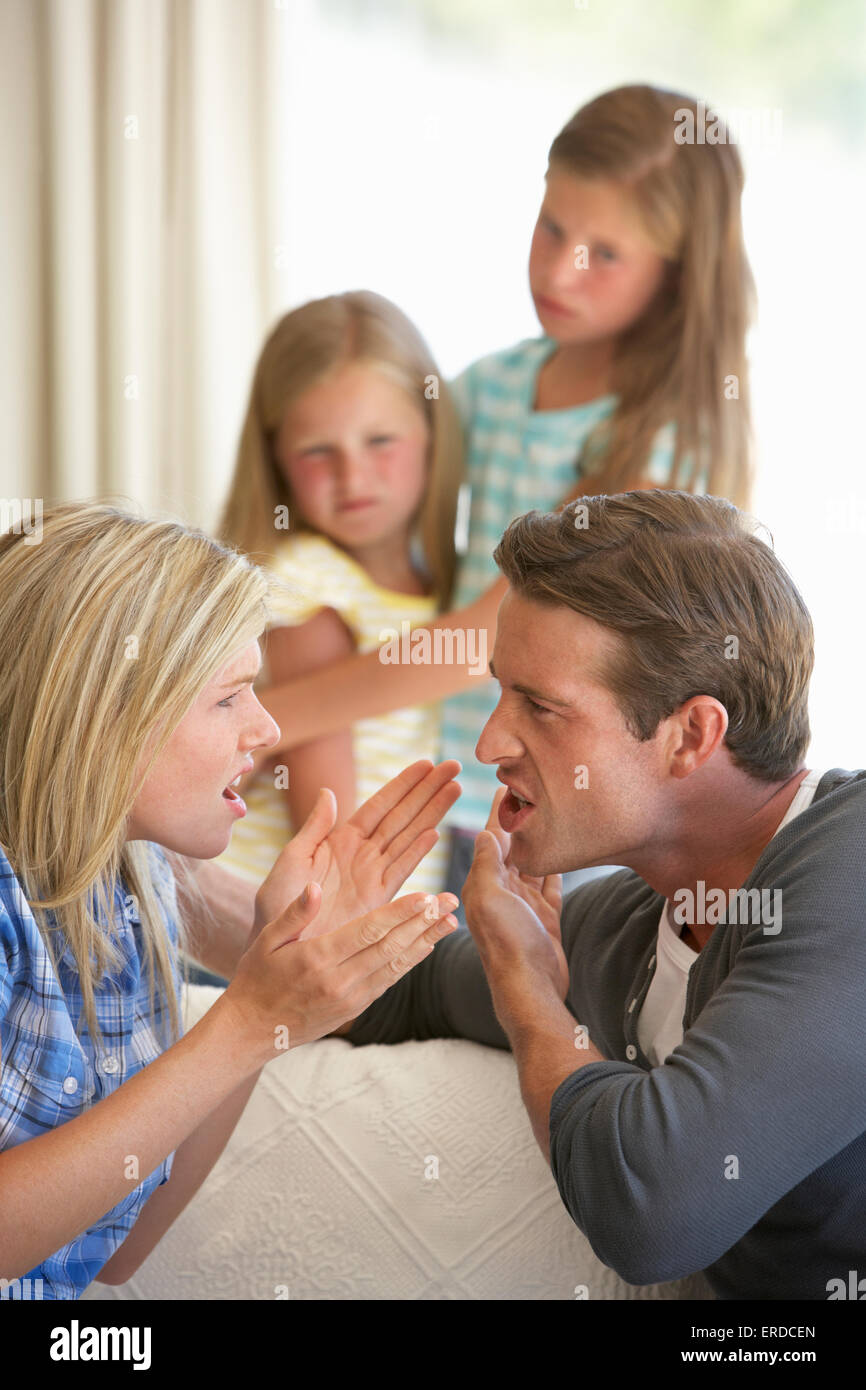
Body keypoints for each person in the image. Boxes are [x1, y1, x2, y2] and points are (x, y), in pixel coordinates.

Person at [232, 84, 757, 914]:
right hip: (461, 794)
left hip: (575, 808)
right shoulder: (494, 387)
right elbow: (380, 466)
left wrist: (259, 717)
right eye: (553, 227)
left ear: (675, 275)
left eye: (604, 253)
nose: (558, 269)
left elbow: (482, 636)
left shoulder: (658, 444)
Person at [337, 490, 866, 1302]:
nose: (489, 744)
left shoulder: (853, 867)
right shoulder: (623, 927)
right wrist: (206, 896)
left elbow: (654, 1212)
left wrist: (527, 994)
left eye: (541, 708)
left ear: (691, 735)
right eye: (499, 693)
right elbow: (396, 995)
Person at [0, 502, 460, 1300]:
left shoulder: (127, 894)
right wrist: (245, 1021)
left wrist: (267, 981)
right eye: (229, 699)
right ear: (103, 713)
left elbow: (112, 1253)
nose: (267, 729)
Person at [212, 291, 463, 900]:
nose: (353, 478)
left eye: (380, 441)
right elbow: (326, 827)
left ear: (432, 433)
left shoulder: (447, 583)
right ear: (275, 457)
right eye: (319, 451)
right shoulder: (307, 583)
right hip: (289, 921)